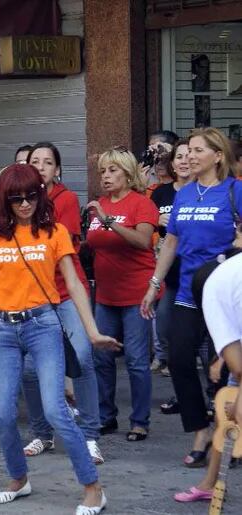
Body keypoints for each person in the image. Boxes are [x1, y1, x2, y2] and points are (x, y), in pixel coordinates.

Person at [0, 163, 119, 513]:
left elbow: (73, 283)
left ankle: (93, 487)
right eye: (17, 198)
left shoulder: (54, 232)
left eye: (31, 196)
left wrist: (91, 331)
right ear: (5, 200)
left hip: (43, 324)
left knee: (57, 411)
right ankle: (18, 478)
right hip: (1, 330)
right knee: (1, 414)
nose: (25, 204)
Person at [142, 127, 242, 467]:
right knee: (181, 360)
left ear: (217, 156)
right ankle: (200, 428)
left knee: (223, 368)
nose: (190, 156)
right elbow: (170, 243)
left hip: (225, 296)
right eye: (188, 151)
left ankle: (227, 431)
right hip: (187, 292)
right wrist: (154, 283)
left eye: (199, 150)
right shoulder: (184, 194)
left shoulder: (235, 191)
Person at [20, 142, 103, 463]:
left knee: (82, 360)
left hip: (67, 293)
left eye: (48, 161)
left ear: (57, 169)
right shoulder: (19, 200)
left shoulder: (65, 199)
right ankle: (42, 434)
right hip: (35, 295)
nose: (41, 166)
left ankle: (91, 436)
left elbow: (61, 245)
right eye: (35, 161)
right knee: (29, 370)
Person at [86, 148, 157, 442]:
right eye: (103, 171)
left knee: (137, 360)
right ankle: (106, 417)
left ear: (128, 174)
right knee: (102, 358)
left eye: (112, 170)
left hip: (136, 293)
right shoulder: (99, 204)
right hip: (105, 293)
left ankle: (140, 421)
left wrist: (108, 221)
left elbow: (142, 241)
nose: (106, 176)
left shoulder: (141, 204)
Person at [174, 224, 242, 503]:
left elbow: (238, 366)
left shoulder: (214, 291)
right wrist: (219, 361)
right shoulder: (233, 273)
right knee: (225, 417)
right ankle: (209, 483)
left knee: (232, 411)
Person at [149, 141, 192, 376]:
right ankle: (164, 357)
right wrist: (157, 221)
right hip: (167, 267)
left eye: (189, 155)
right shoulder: (161, 192)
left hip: (194, 266)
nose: (184, 160)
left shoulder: (202, 191)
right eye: (179, 157)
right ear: (172, 163)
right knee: (164, 319)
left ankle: (186, 361)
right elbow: (146, 223)